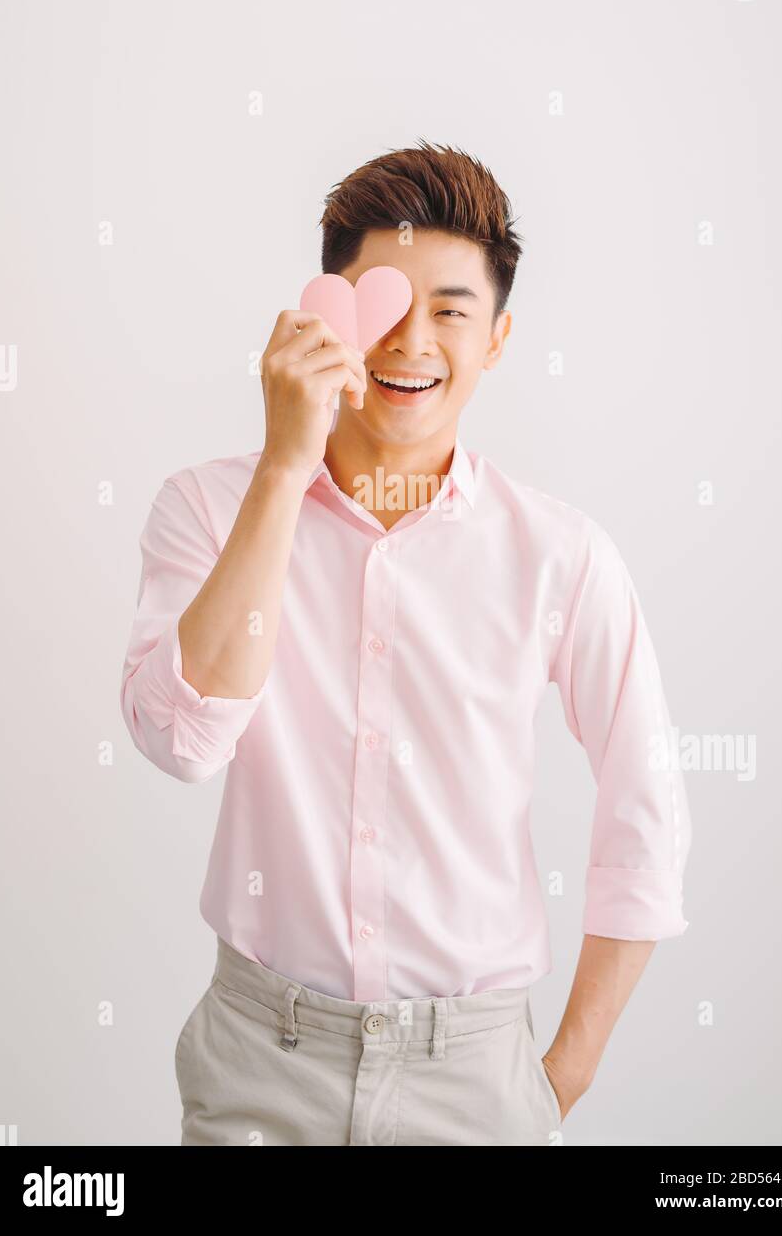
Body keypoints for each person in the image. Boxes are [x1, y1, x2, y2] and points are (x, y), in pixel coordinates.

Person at [119, 138, 692, 1147]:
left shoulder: (560, 554)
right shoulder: (207, 508)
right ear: (321, 312)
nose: (409, 342)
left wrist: (559, 1077)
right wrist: (286, 469)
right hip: (262, 1059)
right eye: (382, 303)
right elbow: (182, 741)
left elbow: (646, 807)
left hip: (474, 1077)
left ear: (500, 338)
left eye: (451, 310)